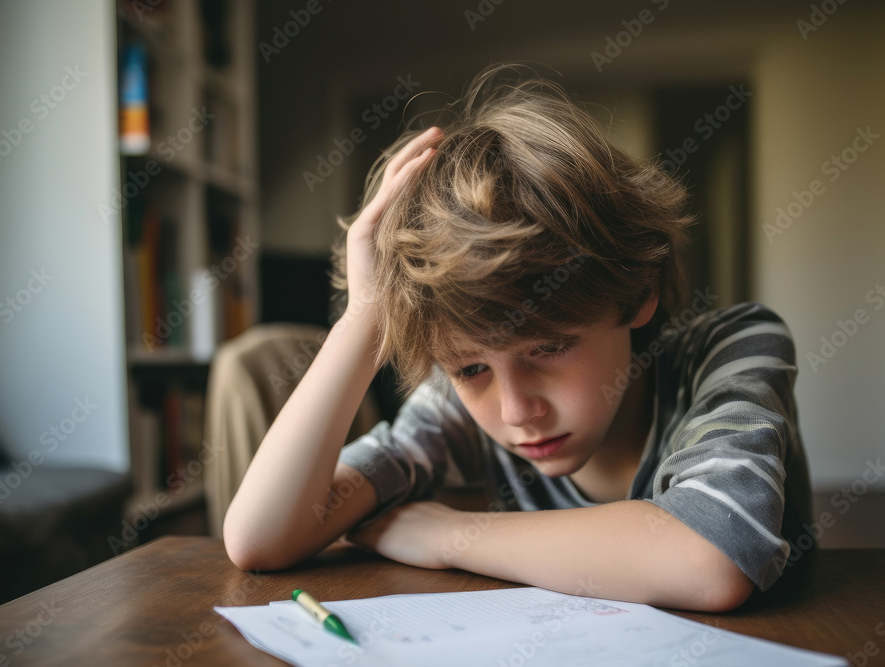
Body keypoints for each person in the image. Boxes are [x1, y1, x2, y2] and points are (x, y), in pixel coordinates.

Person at [223, 63, 813, 612]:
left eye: (549, 347)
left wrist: (448, 535)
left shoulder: (730, 348)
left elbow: (711, 557)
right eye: (469, 368)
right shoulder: (453, 410)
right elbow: (260, 539)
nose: (515, 411)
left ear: (638, 293)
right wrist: (365, 317)